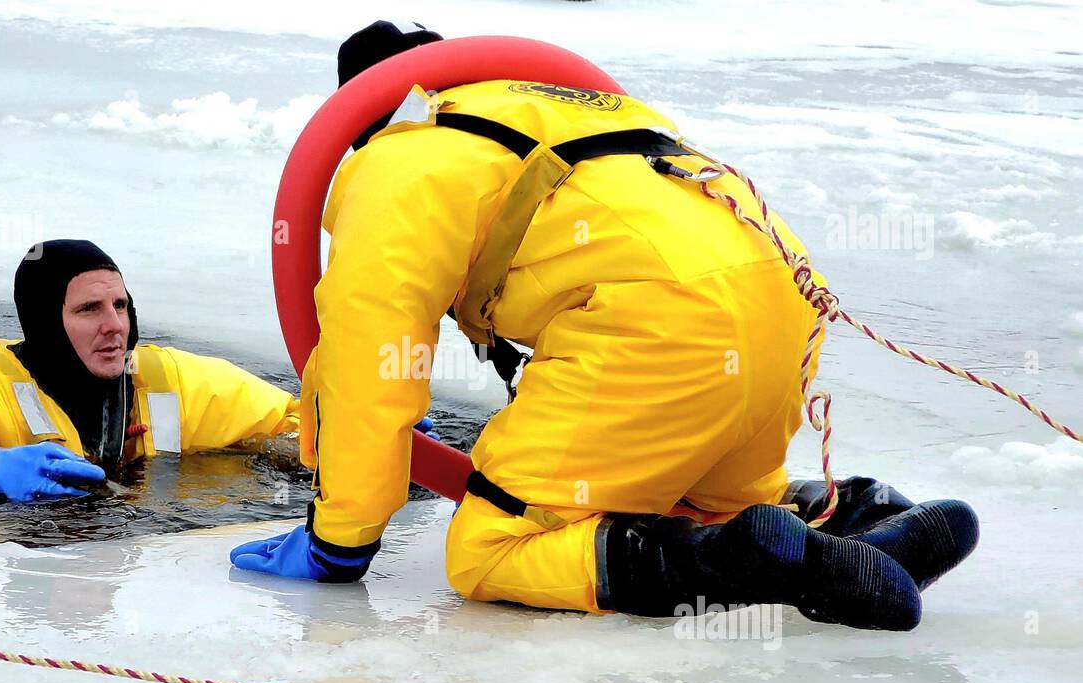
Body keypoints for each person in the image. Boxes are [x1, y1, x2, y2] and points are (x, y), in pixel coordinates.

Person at [229, 22, 979, 631]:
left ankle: (734, 559)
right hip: (778, 296)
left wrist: (340, 538)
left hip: (654, 321)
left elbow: (371, 356)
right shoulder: (579, 109)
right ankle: (853, 516)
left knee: (490, 548)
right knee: (697, 497)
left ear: (362, 119)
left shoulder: (400, 162)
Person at [0, 239, 300, 502]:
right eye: (89, 310)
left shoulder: (174, 383)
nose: (115, 327)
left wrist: (281, 456)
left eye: (121, 306)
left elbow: (301, 427)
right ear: (46, 323)